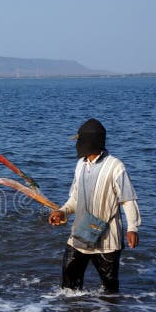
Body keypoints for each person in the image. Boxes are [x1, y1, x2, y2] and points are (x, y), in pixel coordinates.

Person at [48, 118, 140, 293]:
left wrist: (132, 228)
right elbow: (75, 198)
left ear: (88, 142)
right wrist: (62, 212)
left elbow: (128, 200)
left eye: (79, 140)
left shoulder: (115, 166)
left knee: (110, 291)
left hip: (107, 239)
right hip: (80, 234)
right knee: (68, 289)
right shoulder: (80, 165)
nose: (77, 145)